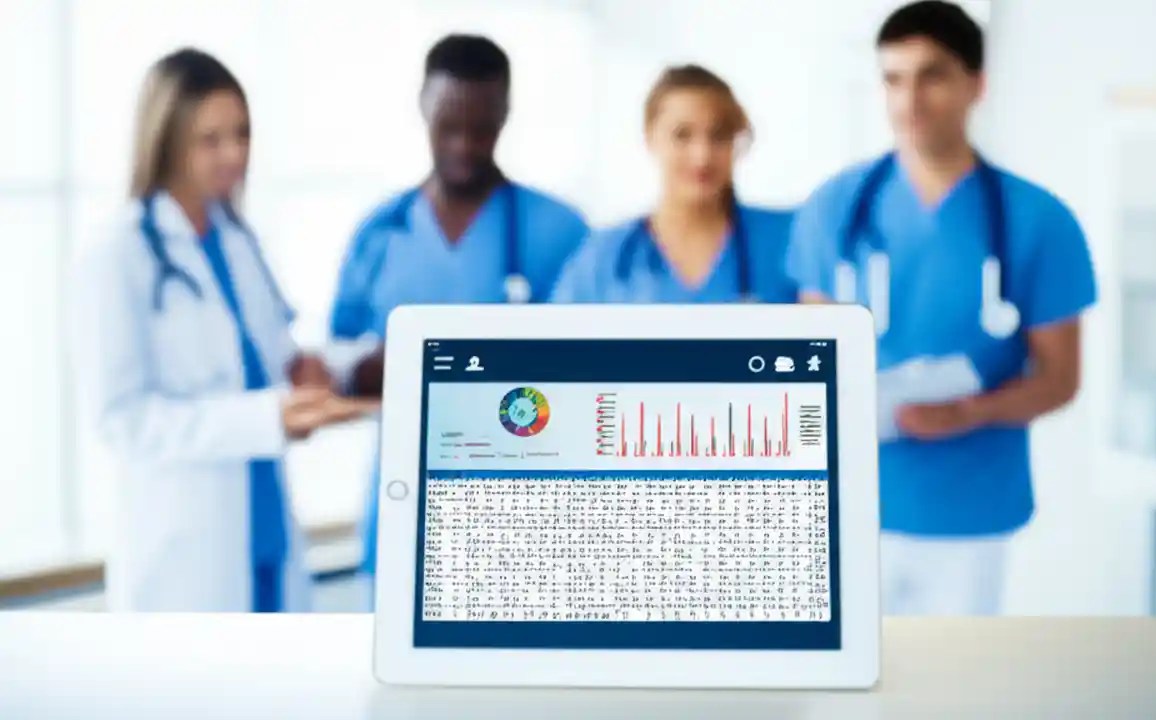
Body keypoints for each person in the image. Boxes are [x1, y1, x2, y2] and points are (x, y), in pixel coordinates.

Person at [786, 1, 1096, 615]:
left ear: (976, 85)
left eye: (932, 75)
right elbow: (805, 362)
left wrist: (969, 411)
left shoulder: (1038, 221)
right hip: (843, 506)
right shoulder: (833, 209)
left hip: (969, 515)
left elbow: (1060, 380)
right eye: (893, 78)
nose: (909, 100)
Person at [70, 49, 368, 612]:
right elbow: (122, 421)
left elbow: (265, 361)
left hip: (264, 529)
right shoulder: (120, 253)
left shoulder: (235, 238)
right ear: (167, 139)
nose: (235, 153)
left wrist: (316, 371)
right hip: (187, 552)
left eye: (243, 133)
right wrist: (267, 416)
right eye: (211, 139)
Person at [330, 34, 588, 575]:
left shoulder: (561, 232)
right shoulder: (379, 234)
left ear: (506, 115)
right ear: (422, 105)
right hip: (403, 502)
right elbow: (337, 363)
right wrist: (364, 368)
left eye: (483, 128)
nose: (465, 145)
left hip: (525, 507)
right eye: (448, 126)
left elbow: (592, 371)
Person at [552, 65, 794, 303]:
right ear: (650, 137)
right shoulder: (604, 258)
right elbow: (559, 339)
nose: (702, 156)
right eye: (682, 135)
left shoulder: (788, 241)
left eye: (719, 135)